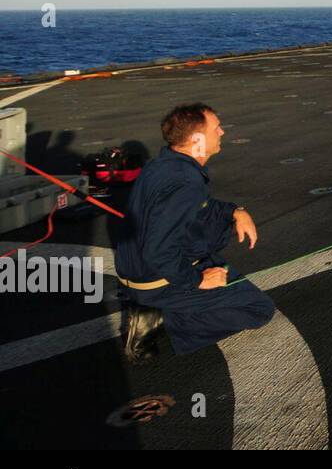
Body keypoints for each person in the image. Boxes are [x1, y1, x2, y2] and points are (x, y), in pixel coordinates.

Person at [115, 102, 275, 363]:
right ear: (197, 139)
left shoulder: (163, 165)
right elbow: (159, 251)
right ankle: (160, 319)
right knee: (258, 309)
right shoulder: (186, 183)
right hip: (159, 280)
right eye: (216, 127)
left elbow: (195, 209)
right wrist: (198, 280)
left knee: (217, 223)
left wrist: (235, 211)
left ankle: (162, 301)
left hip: (137, 269)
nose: (222, 132)